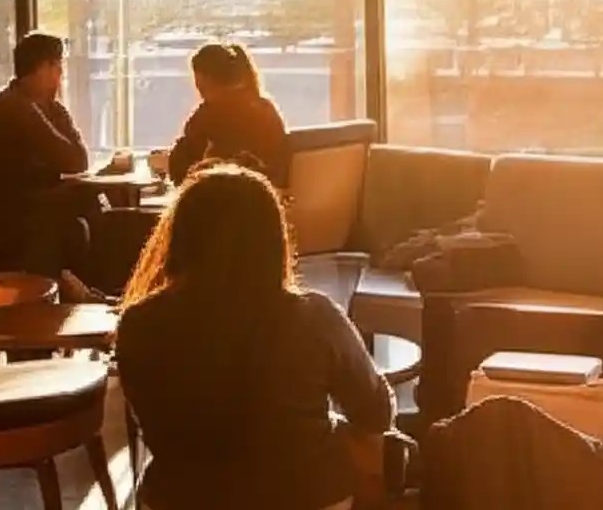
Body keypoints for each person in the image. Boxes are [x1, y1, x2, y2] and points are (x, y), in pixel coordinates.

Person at [116, 162, 396, 510]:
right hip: (305, 497)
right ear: (272, 240)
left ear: (181, 238)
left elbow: (155, 424)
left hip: (183, 499)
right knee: (373, 446)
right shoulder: (312, 316)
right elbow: (375, 412)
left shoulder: (138, 324)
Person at [0, 32, 102, 302]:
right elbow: (70, 160)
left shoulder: (46, 108)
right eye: (57, 66)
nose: (61, 74)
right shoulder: (12, 108)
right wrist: (44, 115)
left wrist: (55, 112)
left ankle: (73, 293)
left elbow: (80, 159)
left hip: (23, 206)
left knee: (79, 215)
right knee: (78, 206)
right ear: (42, 68)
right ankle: (66, 299)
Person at [167, 43, 291, 189]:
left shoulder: (209, 115)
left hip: (222, 198)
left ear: (207, 80)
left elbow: (179, 167)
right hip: (261, 201)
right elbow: (279, 169)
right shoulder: (265, 109)